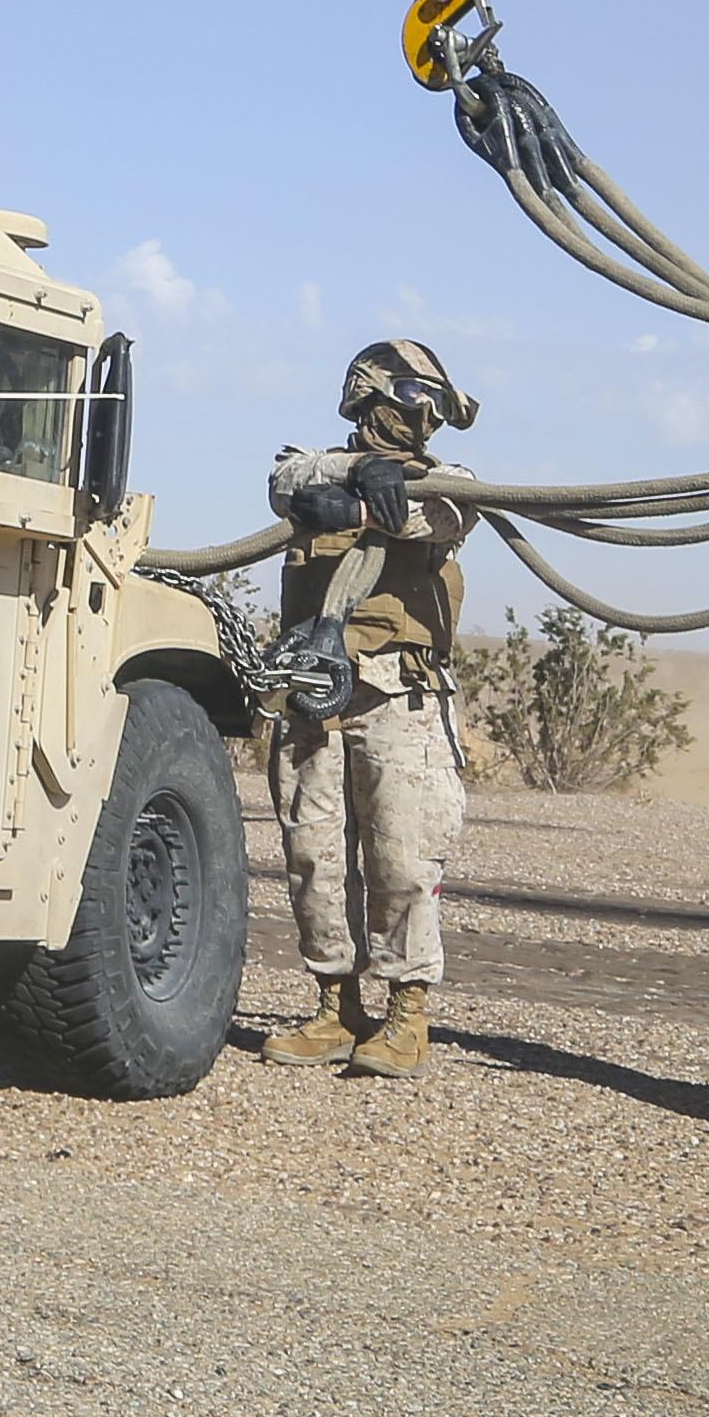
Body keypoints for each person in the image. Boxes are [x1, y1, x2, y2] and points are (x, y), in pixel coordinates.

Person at [259, 340, 479, 1079]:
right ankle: (335, 1007)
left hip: (400, 695)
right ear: (371, 396)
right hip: (313, 691)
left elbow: (443, 517)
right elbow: (287, 480)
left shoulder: (448, 482)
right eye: (413, 397)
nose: (423, 416)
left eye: (434, 404)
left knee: (402, 858)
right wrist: (355, 475)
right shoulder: (311, 464)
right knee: (312, 856)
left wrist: (370, 500)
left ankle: (407, 1017)